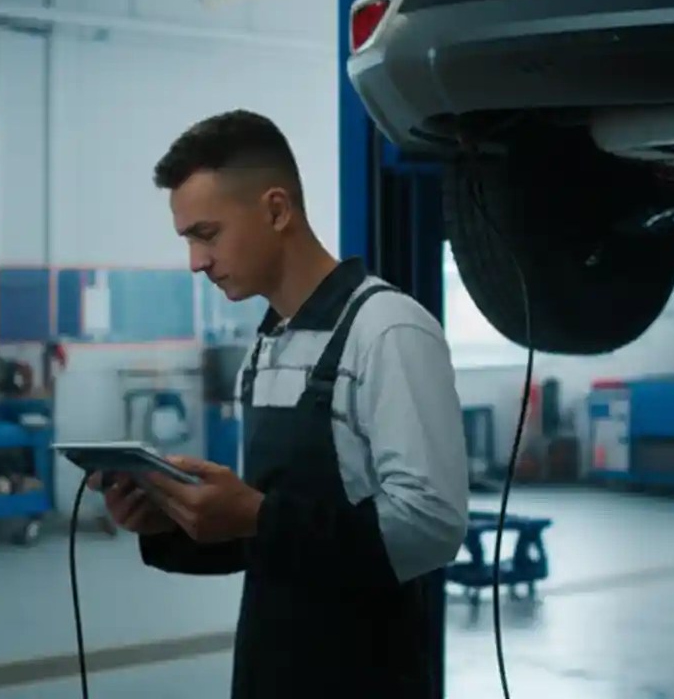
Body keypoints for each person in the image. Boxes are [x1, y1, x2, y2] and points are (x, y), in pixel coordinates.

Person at [93, 109, 469, 698]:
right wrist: (176, 522)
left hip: (366, 678)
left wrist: (255, 515)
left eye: (207, 234)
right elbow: (274, 542)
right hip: (271, 670)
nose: (196, 262)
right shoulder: (268, 347)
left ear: (276, 210)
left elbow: (431, 527)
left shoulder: (388, 331)